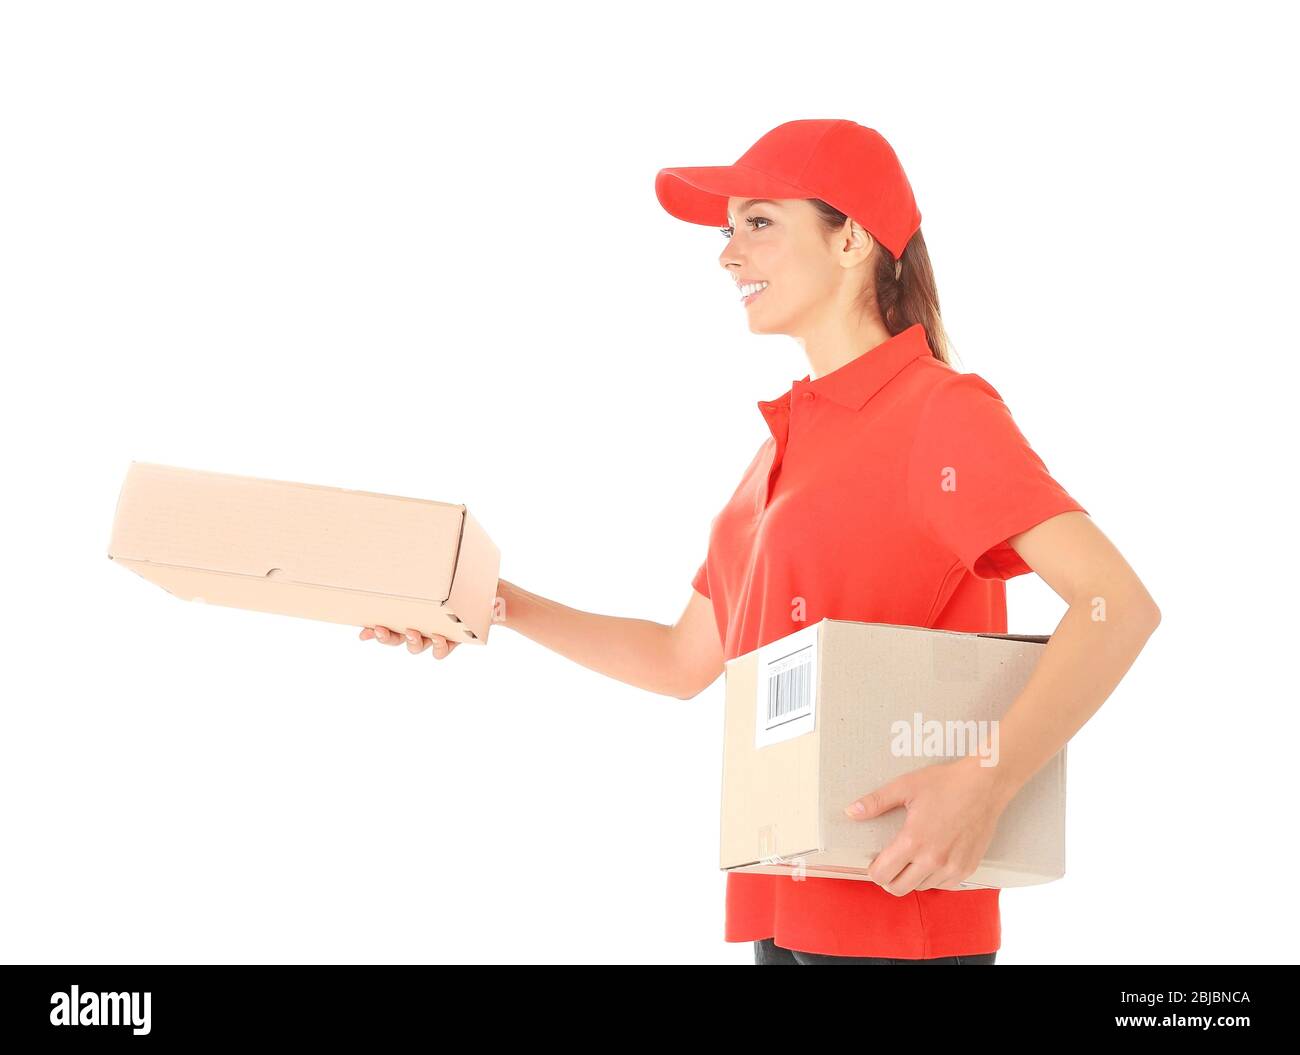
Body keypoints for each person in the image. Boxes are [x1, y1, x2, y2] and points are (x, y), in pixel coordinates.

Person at [361, 120, 1161, 966]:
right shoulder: (780, 451)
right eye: (727, 229)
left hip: (897, 907)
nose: (727, 254)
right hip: (783, 892)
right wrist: (496, 604)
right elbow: (681, 659)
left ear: (852, 237)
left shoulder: (940, 412)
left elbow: (1117, 606)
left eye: (760, 223)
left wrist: (986, 779)